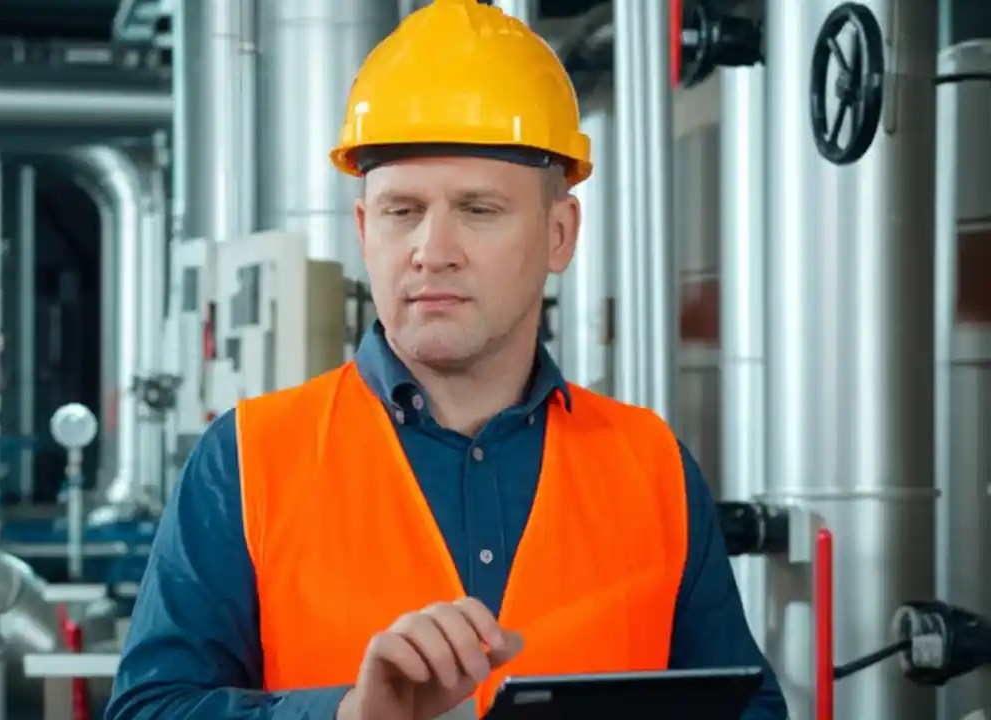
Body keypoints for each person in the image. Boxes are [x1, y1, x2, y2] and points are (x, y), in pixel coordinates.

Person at [105, 0, 788, 718]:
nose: (433, 250)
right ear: (366, 229)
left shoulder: (651, 467)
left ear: (560, 234)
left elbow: (747, 707)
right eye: (403, 211)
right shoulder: (245, 461)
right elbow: (150, 709)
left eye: (479, 209)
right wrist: (345, 716)